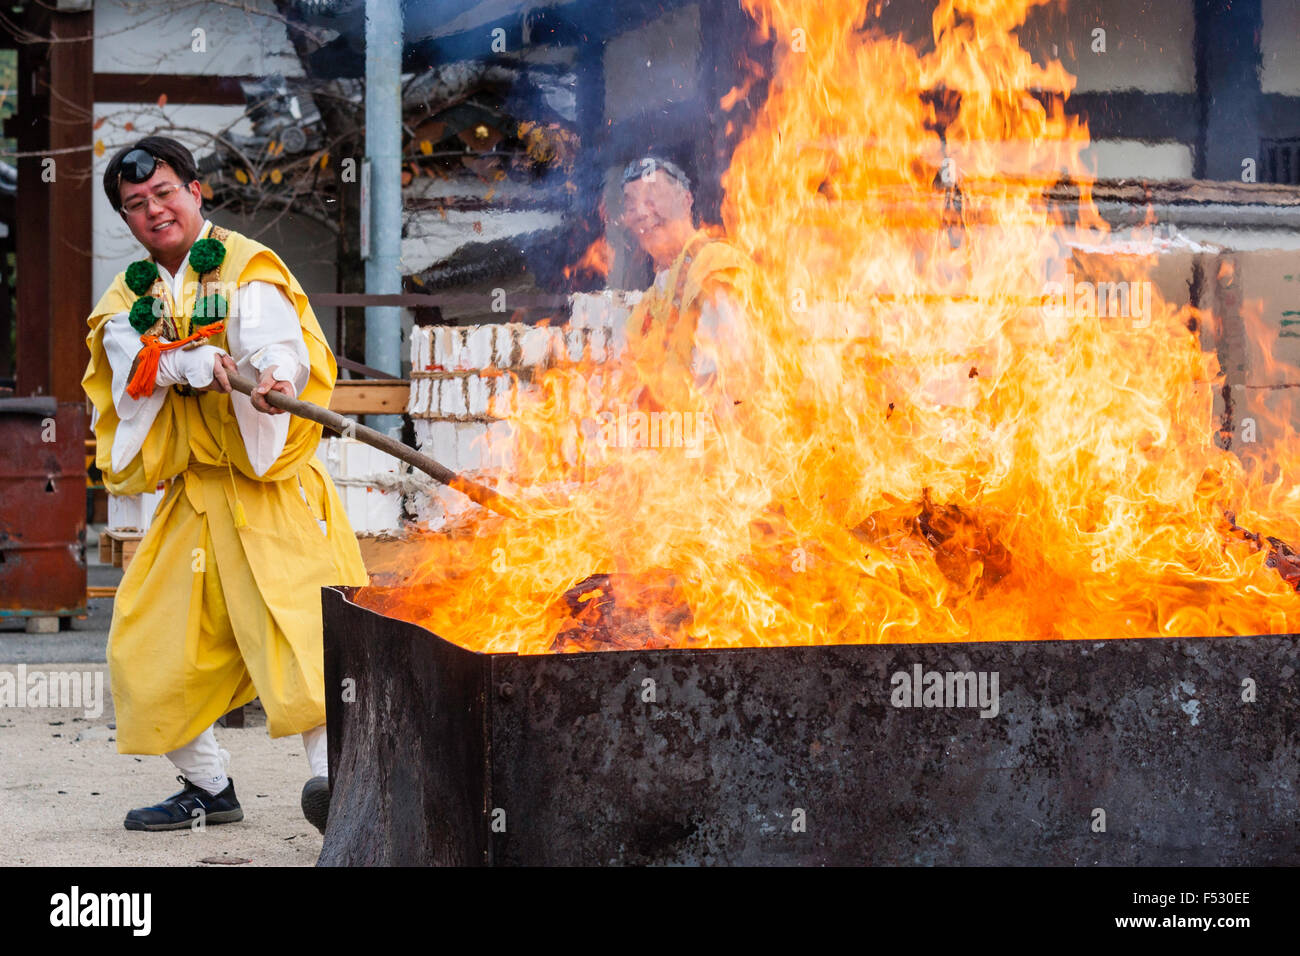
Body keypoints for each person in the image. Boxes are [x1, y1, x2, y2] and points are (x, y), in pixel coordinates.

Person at [82, 136, 368, 834]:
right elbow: (131, 363)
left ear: (196, 192)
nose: (154, 211)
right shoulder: (129, 295)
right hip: (195, 496)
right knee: (147, 645)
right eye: (136, 206)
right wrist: (182, 364)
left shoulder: (247, 267)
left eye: (165, 194)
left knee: (304, 639)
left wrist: (273, 379)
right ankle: (208, 787)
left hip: (273, 495)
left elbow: (279, 344)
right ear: (126, 220)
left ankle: (342, 788)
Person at [618, 156, 754, 416]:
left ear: (686, 200)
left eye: (652, 196)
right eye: (631, 203)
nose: (642, 213)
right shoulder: (652, 297)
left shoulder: (715, 269)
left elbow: (736, 380)